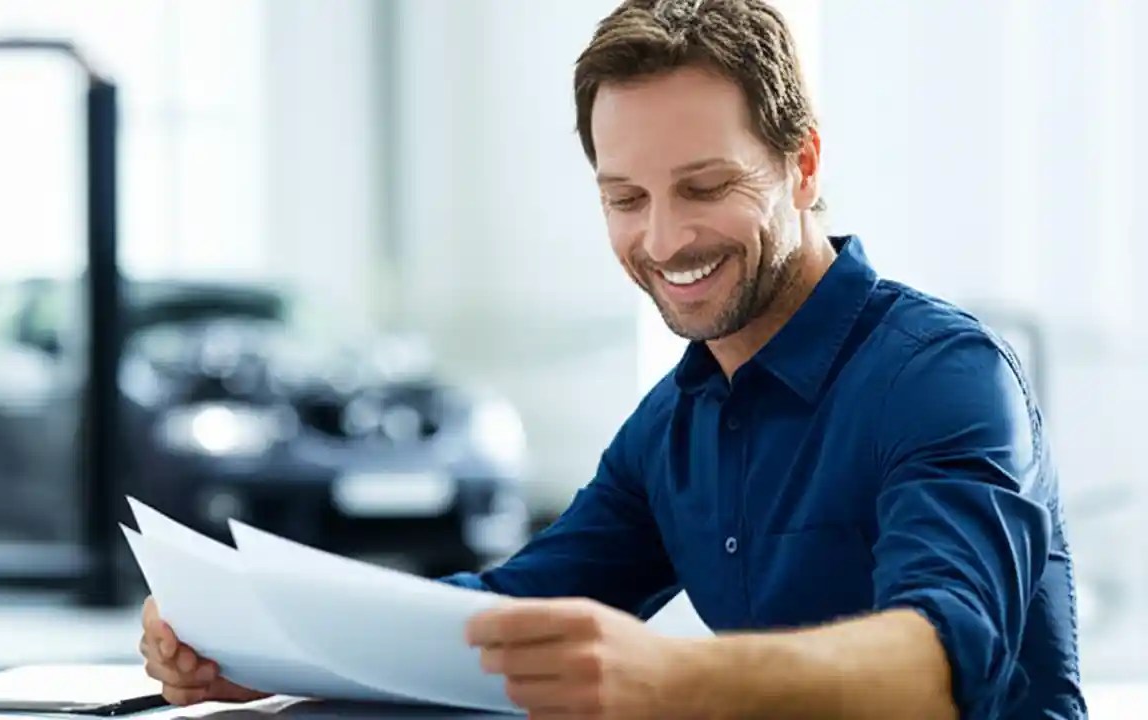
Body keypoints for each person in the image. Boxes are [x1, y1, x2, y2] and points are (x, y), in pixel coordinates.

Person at [140, 0, 1084, 717]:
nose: (665, 239)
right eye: (624, 198)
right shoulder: (674, 426)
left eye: (704, 187)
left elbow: (942, 661)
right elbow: (505, 616)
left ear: (803, 167)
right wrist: (255, 641)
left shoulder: (942, 376)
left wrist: (666, 675)